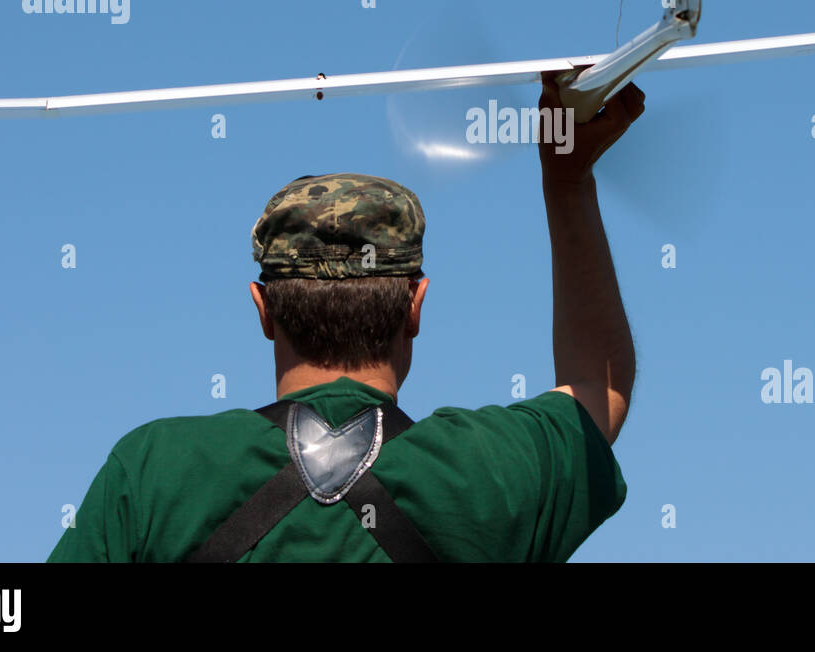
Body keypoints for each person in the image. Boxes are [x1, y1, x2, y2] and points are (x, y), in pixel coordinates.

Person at [47, 74, 646, 562]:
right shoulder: (491, 471)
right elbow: (601, 386)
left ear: (263, 309)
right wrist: (567, 178)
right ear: (416, 305)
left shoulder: (156, 470)